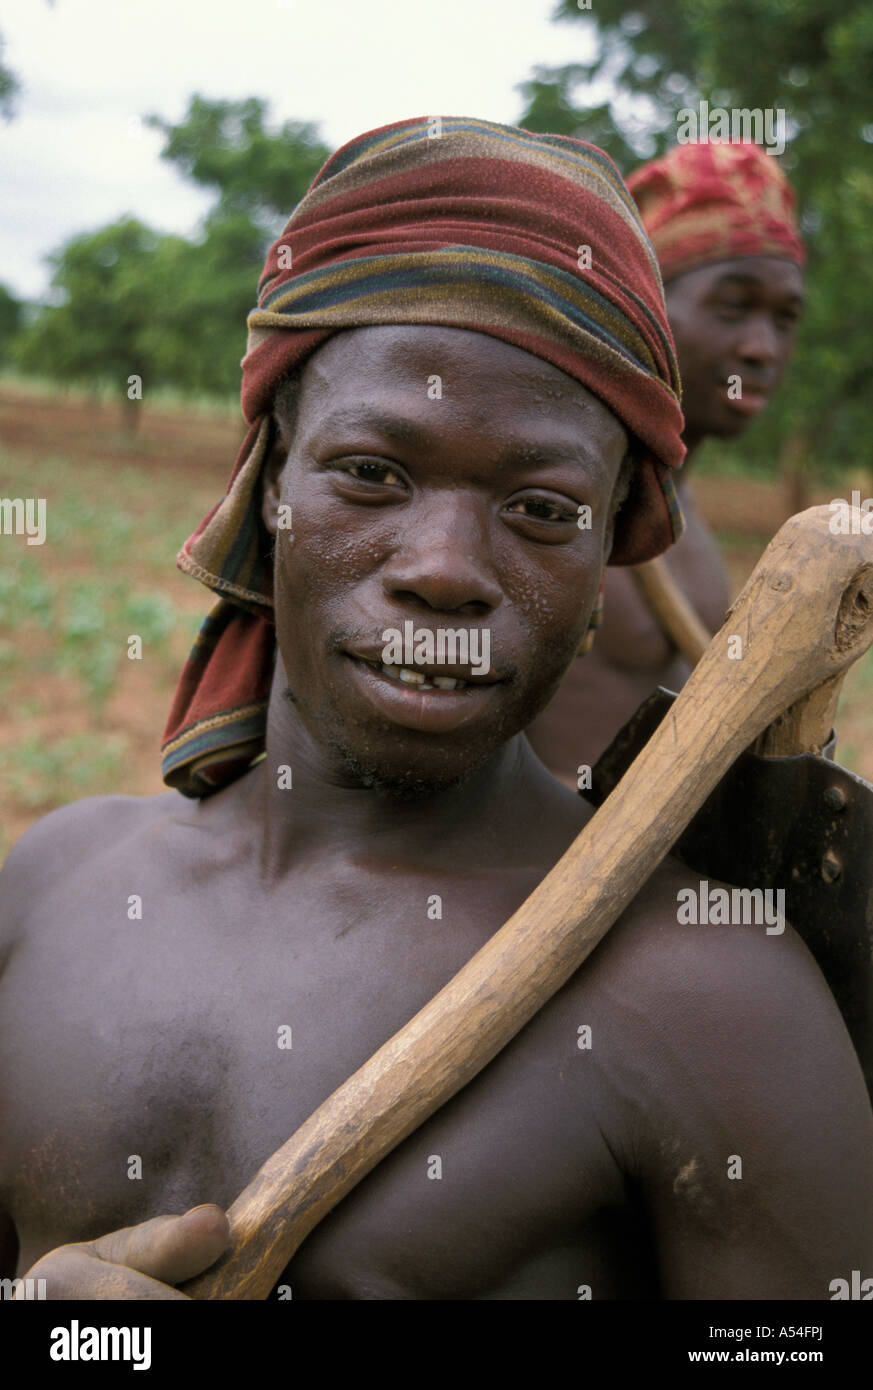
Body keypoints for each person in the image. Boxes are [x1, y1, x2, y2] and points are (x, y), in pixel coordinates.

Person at [1, 117, 869, 1302]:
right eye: (372, 474)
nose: (446, 567)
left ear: (612, 550)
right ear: (267, 490)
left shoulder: (712, 999)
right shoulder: (49, 892)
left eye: (541, 508)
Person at [526, 140, 806, 785]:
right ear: (644, 308)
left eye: (785, 318)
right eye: (733, 307)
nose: (762, 348)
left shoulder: (684, 509)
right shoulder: (556, 503)